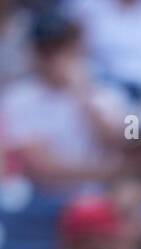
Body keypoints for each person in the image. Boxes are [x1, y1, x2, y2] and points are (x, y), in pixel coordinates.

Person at [0, 12, 125, 191]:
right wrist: (110, 172)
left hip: (103, 199)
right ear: (33, 52)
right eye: (46, 50)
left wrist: (83, 96)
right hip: (44, 201)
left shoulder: (105, 90)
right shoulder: (15, 98)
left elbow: (127, 139)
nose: (55, 57)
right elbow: (43, 168)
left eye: (63, 47)